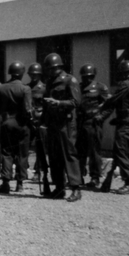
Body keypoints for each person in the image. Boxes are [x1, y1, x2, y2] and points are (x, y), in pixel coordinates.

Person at [99, 60, 129, 194]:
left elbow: (114, 100)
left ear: (123, 73)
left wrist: (102, 105)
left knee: (122, 150)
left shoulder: (125, 84)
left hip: (126, 123)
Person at [43, 53, 83, 202]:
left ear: (58, 67)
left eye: (52, 68)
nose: (50, 71)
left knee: (69, 154)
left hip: (66, 124)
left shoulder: (70, 80)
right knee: (54, 156)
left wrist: (59, 103)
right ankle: (59, 187)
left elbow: (76, 102)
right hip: (53, 123)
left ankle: (76, 188)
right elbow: (47, 102)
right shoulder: (49, 82)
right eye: (49, 69)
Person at [0, 62, 33, 194]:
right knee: (22, 154)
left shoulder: (0, 88)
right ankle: (20, 184)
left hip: (6, 123)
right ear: (21, 73)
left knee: (6, 153)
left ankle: (5, 183)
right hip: (22, 124)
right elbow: (28, 110)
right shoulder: (25, 89)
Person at [76, 64, 110, 188]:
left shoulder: (100, 88)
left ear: (93, 76)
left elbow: (109, 105)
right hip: (81, 124)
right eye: (85, 77)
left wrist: (102, 117)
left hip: (93, 124)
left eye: (90, 76)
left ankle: (95, 178)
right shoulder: (78, 88)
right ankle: (78, 177)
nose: (87, 79)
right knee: (80, 152)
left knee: (94, 152)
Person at [26, 63, 49, 190]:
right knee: (26, 146)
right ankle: (23, 170)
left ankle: (39, 171)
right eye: (31, 74)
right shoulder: (27, 87)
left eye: (36, 74)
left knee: (40, 148)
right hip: (29, 120)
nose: (33, 76)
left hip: (40, 120)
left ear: (40, 75)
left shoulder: (44, 88)